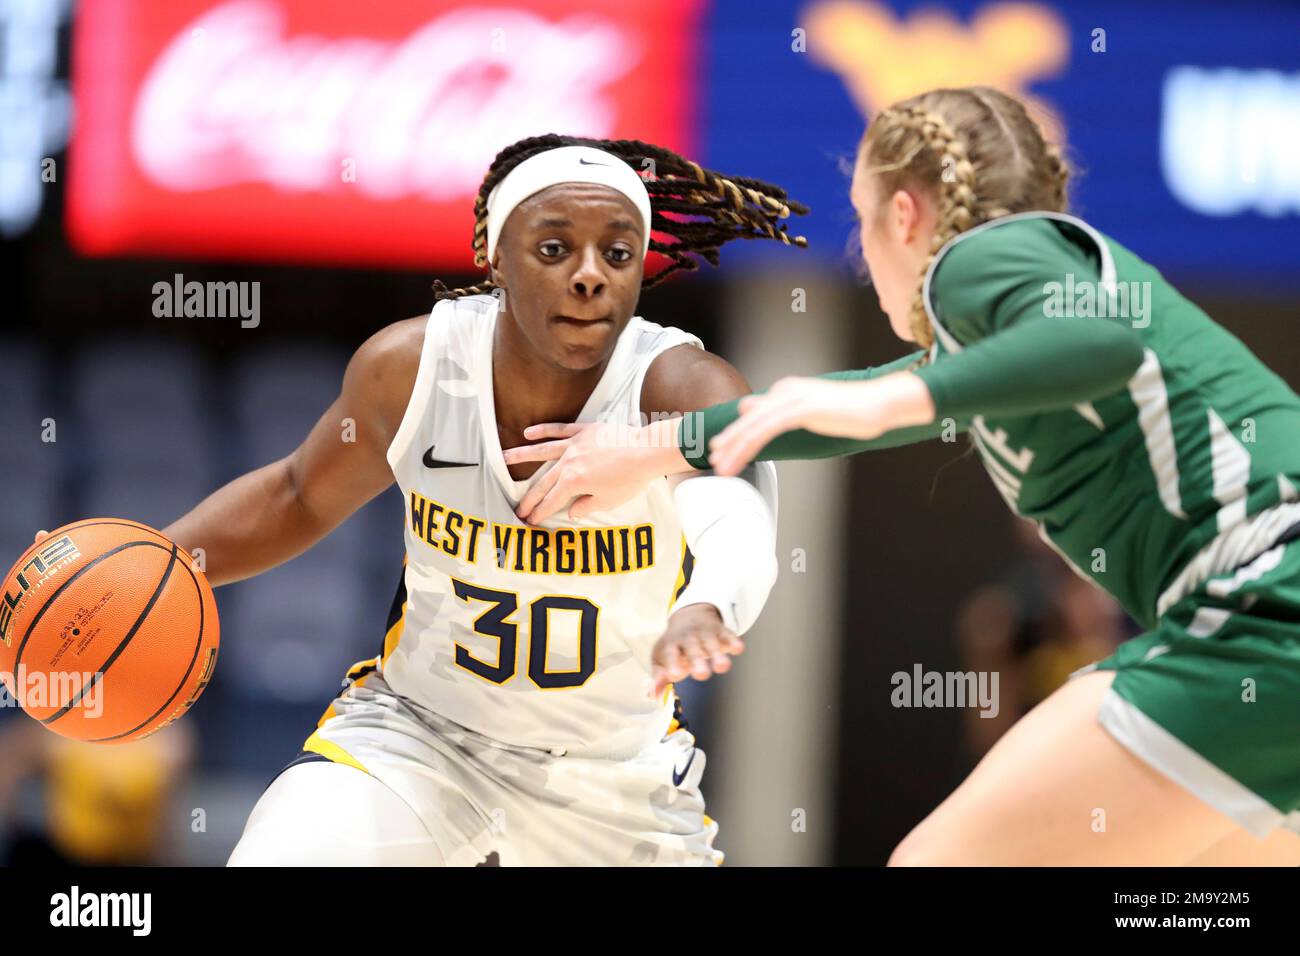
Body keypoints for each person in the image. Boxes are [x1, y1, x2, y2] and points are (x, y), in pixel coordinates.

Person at [501, 89, 1300, 865]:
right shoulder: (1011, 320)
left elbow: (1100, 343)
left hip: (1263, 611)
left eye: (861, 217)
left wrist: (896, 397)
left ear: (907, 214)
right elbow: (826, 411)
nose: (860, 249)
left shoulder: (979, 260)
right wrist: (653, 447)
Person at [160, 135, 806, 865]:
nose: (590, 276)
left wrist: (709, 600)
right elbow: (298, 495)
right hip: (418, 739)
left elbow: (739, 507)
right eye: (555, 249)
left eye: (617, 254)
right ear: (495, 257)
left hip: (612, 779)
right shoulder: (408, 370)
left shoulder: (680, 385)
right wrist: (158, 567)